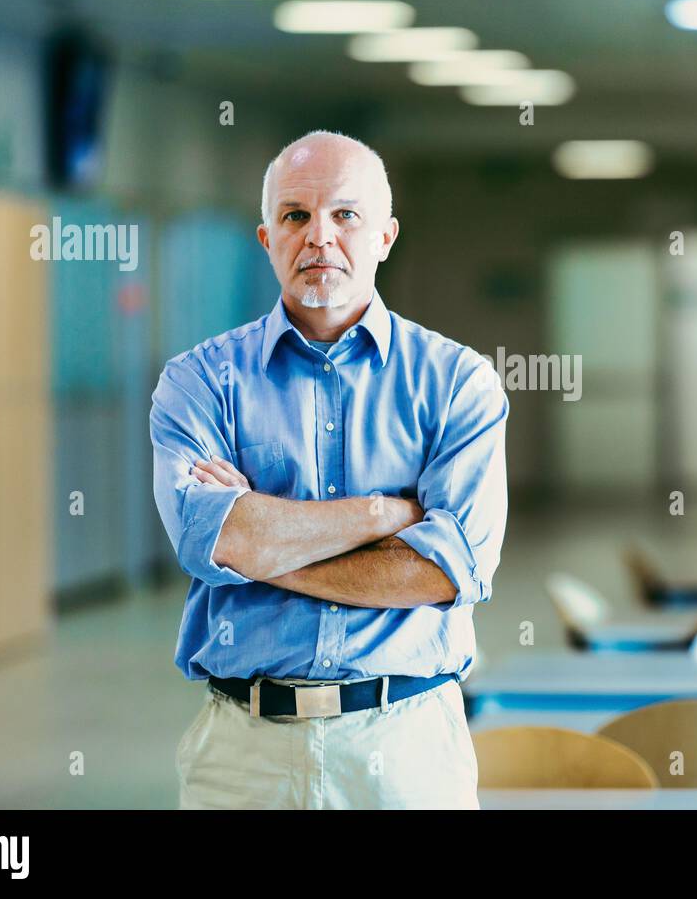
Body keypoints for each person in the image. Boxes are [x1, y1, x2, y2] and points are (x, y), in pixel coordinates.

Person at [150, 131, 509, 809]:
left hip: (404, 749)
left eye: (345, 215)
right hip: (241, 756)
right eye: (295, 216)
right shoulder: (198, 382)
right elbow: (210, 539)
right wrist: (382, 515)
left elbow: (445, 569)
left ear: (385, 236)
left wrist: (264, 543)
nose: (319, 237)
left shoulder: (458, 382)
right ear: (266, 238)